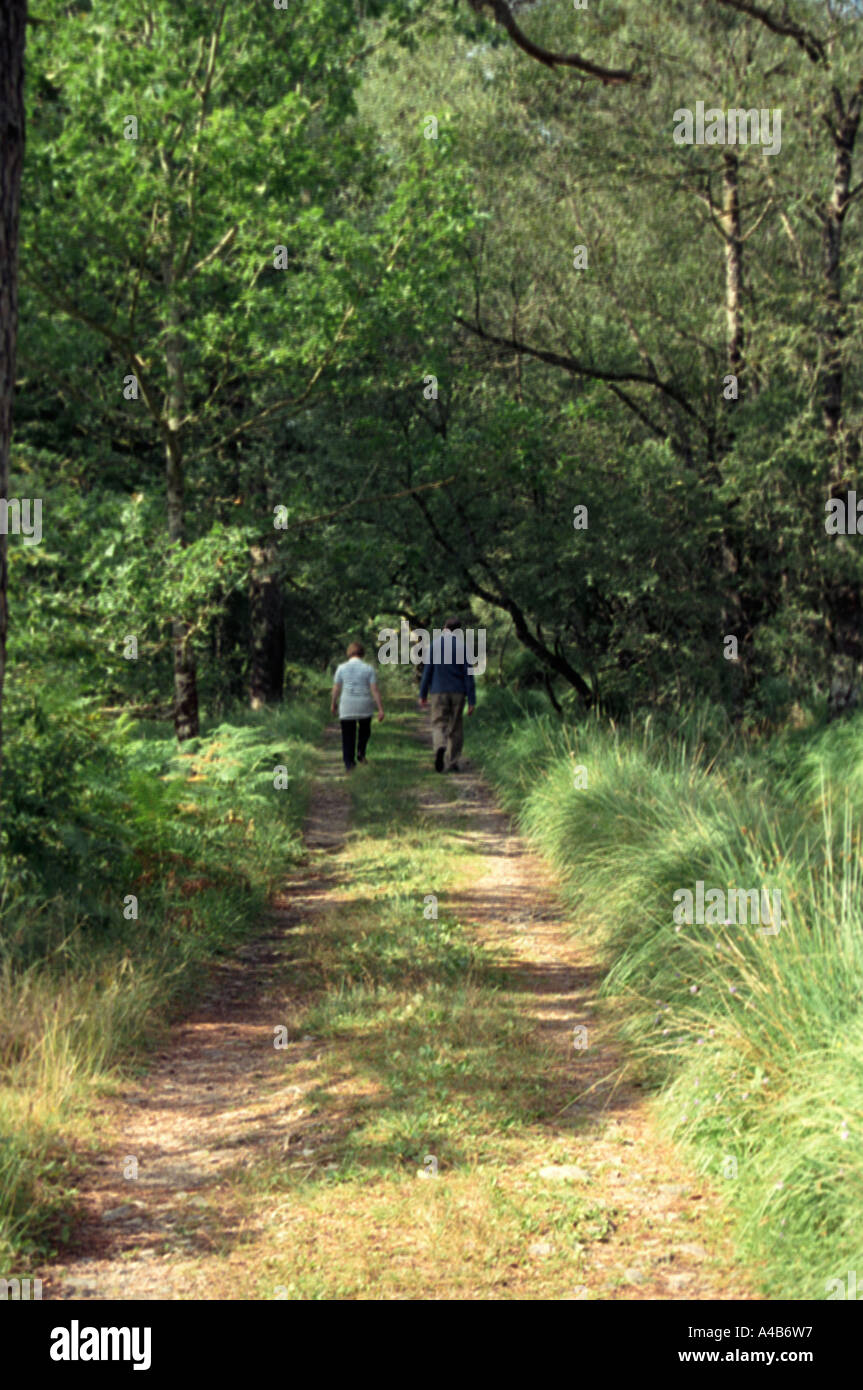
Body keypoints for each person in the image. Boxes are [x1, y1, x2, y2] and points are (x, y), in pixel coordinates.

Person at [419, 616, 476, 772]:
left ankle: (439, 746)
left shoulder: (433, 646)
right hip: (458, 692)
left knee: (439, 723)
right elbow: (469, 675)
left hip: (438, 691)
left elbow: (427, 672)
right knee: (455, 726)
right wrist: (472, 700)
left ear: (444, 628)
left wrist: (422, 694)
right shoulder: (463, 647)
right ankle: (452, 761)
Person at [331, 641, 384, 772]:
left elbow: (336, 688)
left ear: (349, 653)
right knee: (364, 731)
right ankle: (361, 752)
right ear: (362, 653)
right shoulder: (368, 669)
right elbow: (374, 690)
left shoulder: (341, 668)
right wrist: (380, 709)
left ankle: (349, 764)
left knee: (348, 736)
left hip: (347, 705)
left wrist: (333, 703)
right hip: (364, 704)